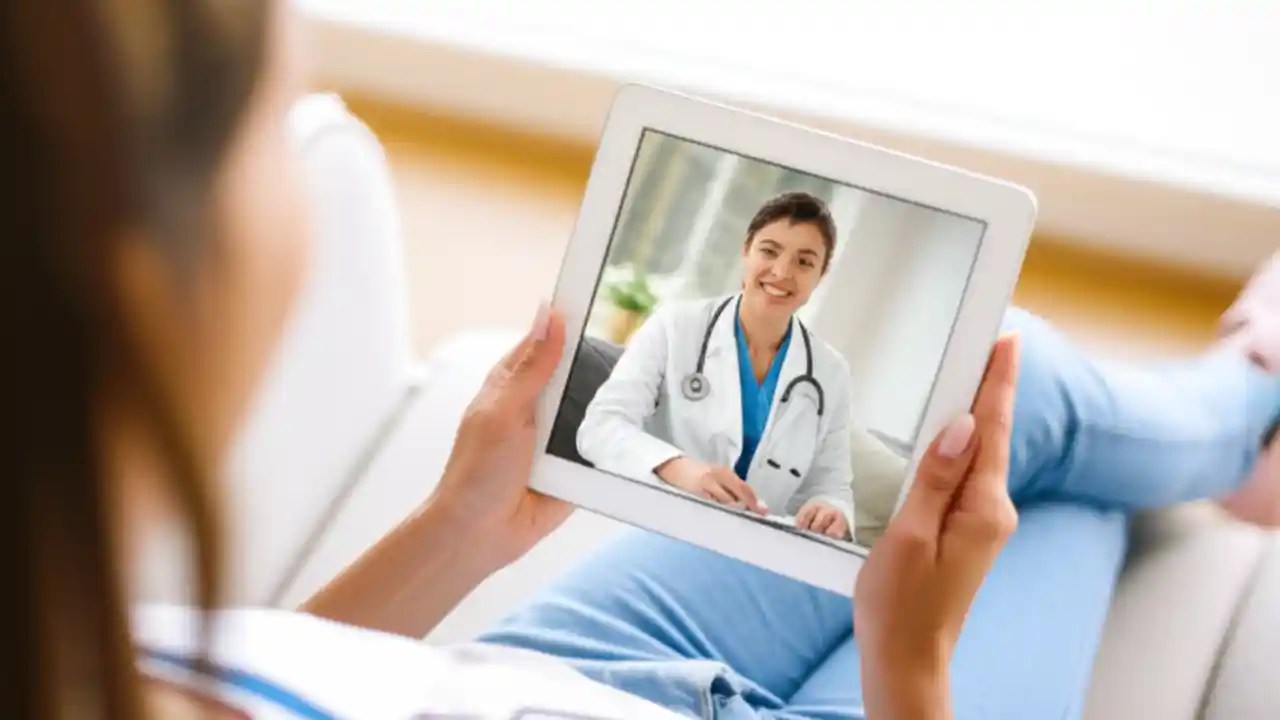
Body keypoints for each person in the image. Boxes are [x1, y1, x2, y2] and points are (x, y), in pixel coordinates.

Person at [7, 0, 1279, 717]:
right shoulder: (679, 331)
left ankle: (1235, 412)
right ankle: (1251, 403)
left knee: (1011, 387)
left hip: (546, 674)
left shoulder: (65, 661)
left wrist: (460, 528)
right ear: (138, 282)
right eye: (279, 132)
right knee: (1034, 462)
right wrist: (908, 668)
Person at [578, 192, 859, 539]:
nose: (782, 271)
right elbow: (600, 428)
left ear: (821, 274)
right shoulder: (675, 326)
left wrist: (833, 510)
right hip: (649, 524)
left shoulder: (831, 373)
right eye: (769, 251)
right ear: (746, 250)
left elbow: (832, 485)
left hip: (752, 547)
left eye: (805, 262)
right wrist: (681, 470)